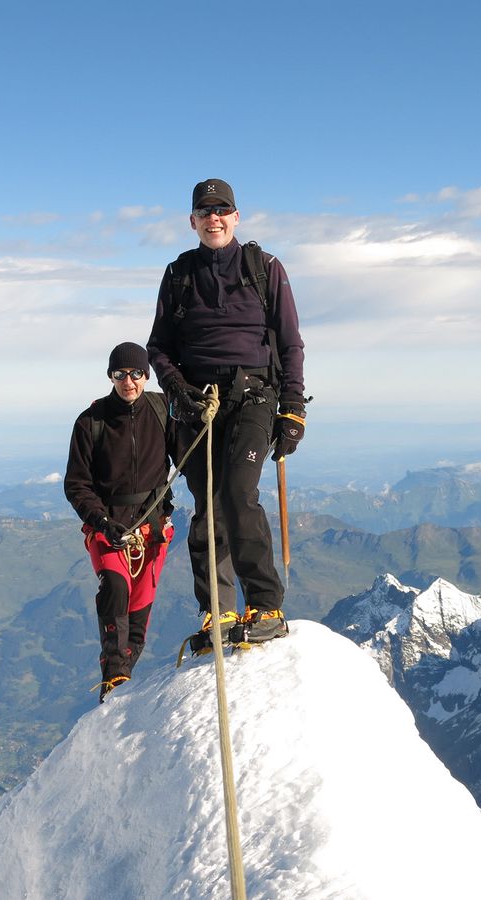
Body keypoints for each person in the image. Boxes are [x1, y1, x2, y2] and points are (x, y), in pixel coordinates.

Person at [146, 178, 307, 652]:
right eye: (204, 211)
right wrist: (177, 388)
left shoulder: (265, 268)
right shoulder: (178, 275)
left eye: (222, 210)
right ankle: (218, 609)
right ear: (192, 221)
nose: (213, 218)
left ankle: (266, 605)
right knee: (208, 505)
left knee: (237, 493)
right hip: (196, 405)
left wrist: (293, 408)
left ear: (236, 218)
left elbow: (290, 340)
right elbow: (158, 347)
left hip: (254, 396)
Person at [64, 342, 176, 702]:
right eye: (120, 374)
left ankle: (127, 670)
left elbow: (187, 450)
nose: (129, 381)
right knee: (114, 588)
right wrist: (100, 520)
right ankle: (114, 674)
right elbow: (77, 484)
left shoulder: (163, 410)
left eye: (136, 373)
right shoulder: (91, 421)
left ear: (146, 375)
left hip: (152, 527)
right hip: (107, 526)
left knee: (141, 605)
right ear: (110, 376)